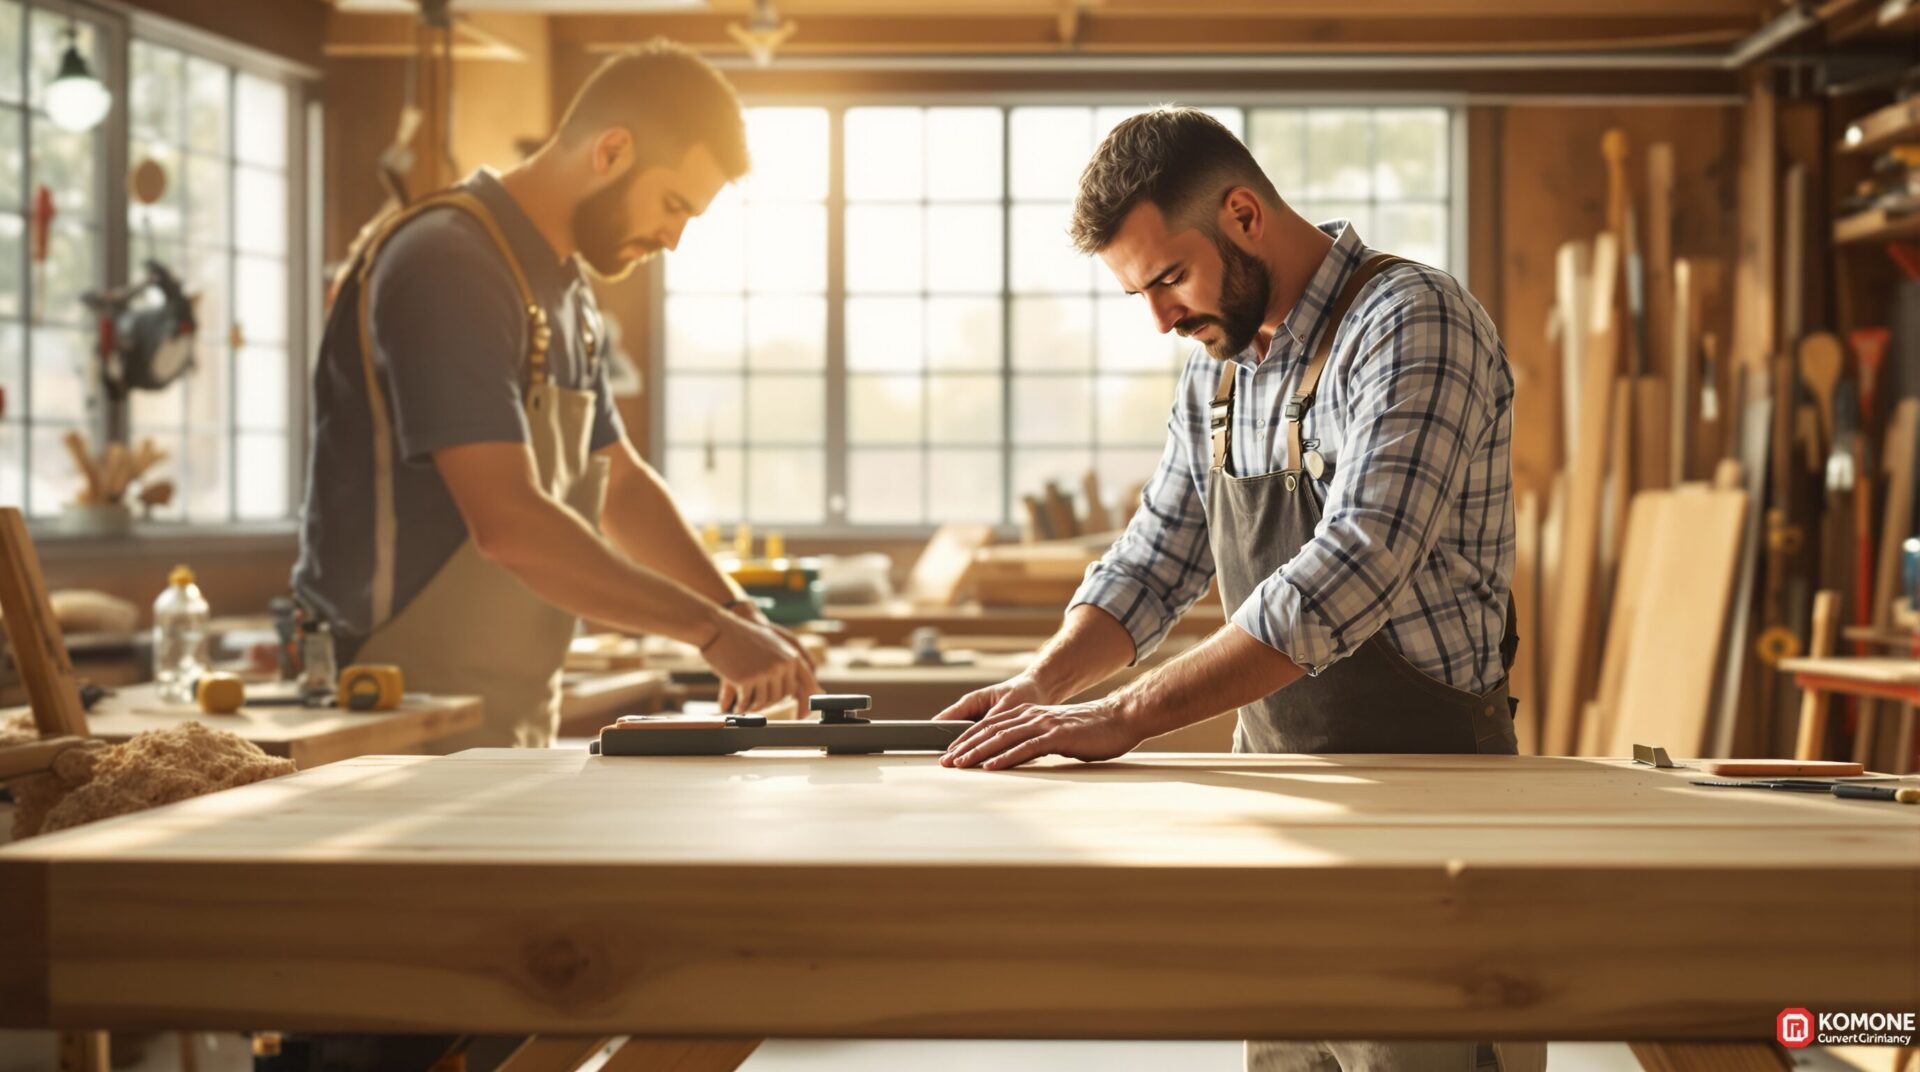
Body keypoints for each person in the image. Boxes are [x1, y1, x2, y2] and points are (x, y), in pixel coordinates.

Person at [294, 40, 816, 751]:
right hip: (395, 706)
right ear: (611, 150)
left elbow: (621, 486)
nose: (673, 238)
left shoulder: (565, 290)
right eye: (672, 204)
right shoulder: (449, 263)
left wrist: (736, 608)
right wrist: (710, 630)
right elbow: (508, 522)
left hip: (506, 711)